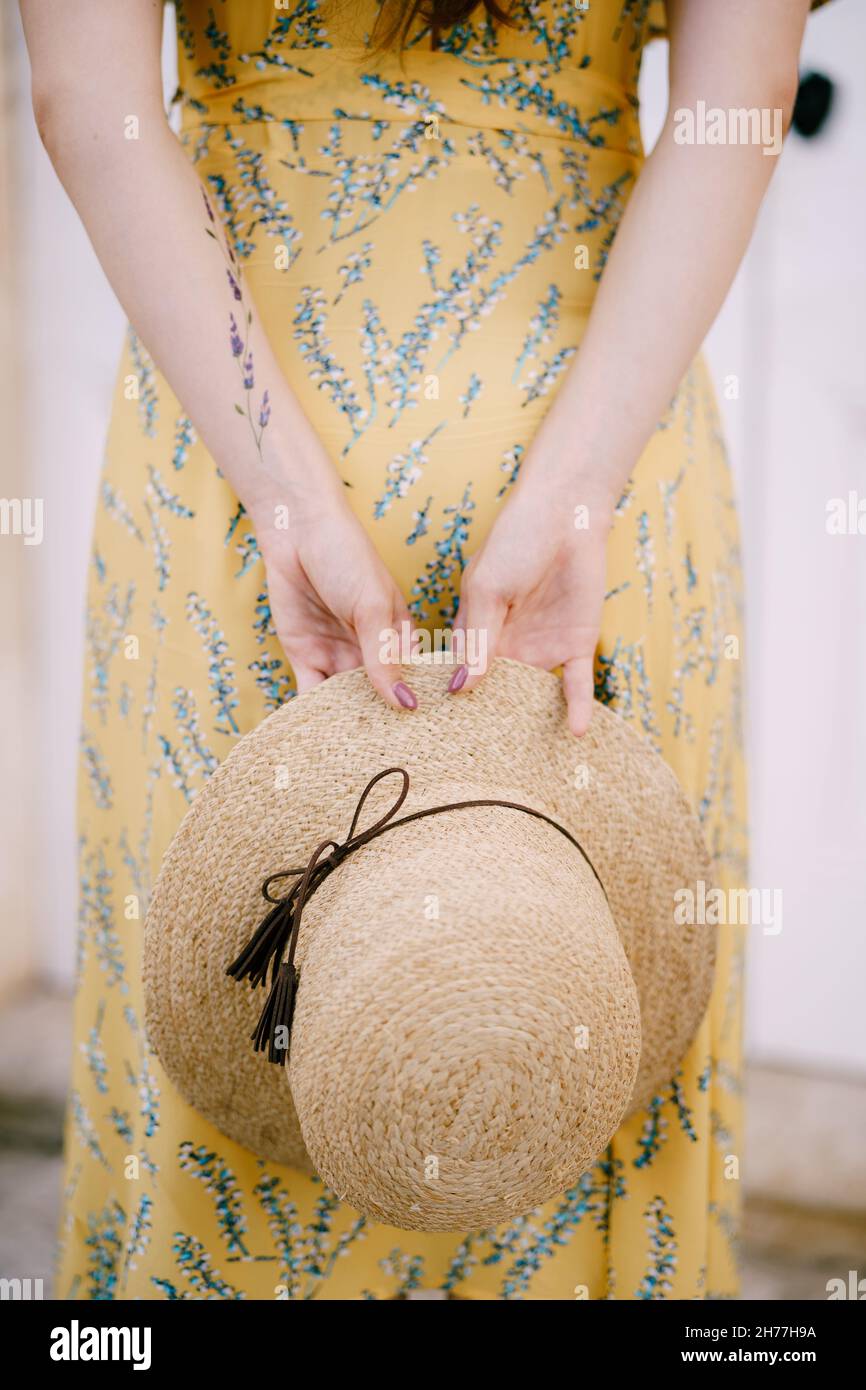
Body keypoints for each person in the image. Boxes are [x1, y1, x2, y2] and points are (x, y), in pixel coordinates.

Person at [22, 0, 813, 1299]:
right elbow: (743, 92)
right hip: (592, 474)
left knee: (259, 1007)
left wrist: (286, 500)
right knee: (556, 1002)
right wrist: (577, 487)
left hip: (240, 461)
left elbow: (86, 107)